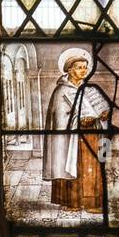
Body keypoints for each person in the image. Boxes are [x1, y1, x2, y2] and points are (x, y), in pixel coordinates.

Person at [42, 49, 110, 212]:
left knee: (92, 166)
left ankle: (92, 202)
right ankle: (71, 202)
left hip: (92, 135)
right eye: (79, 67)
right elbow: (59, 119)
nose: (83, 70)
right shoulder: (61, 91)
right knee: (74, 166)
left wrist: (103, 116)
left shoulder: (90, 90)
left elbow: (99, 110)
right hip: (71, 140)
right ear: (69, 69)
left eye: (85, 67)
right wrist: (78, 121)